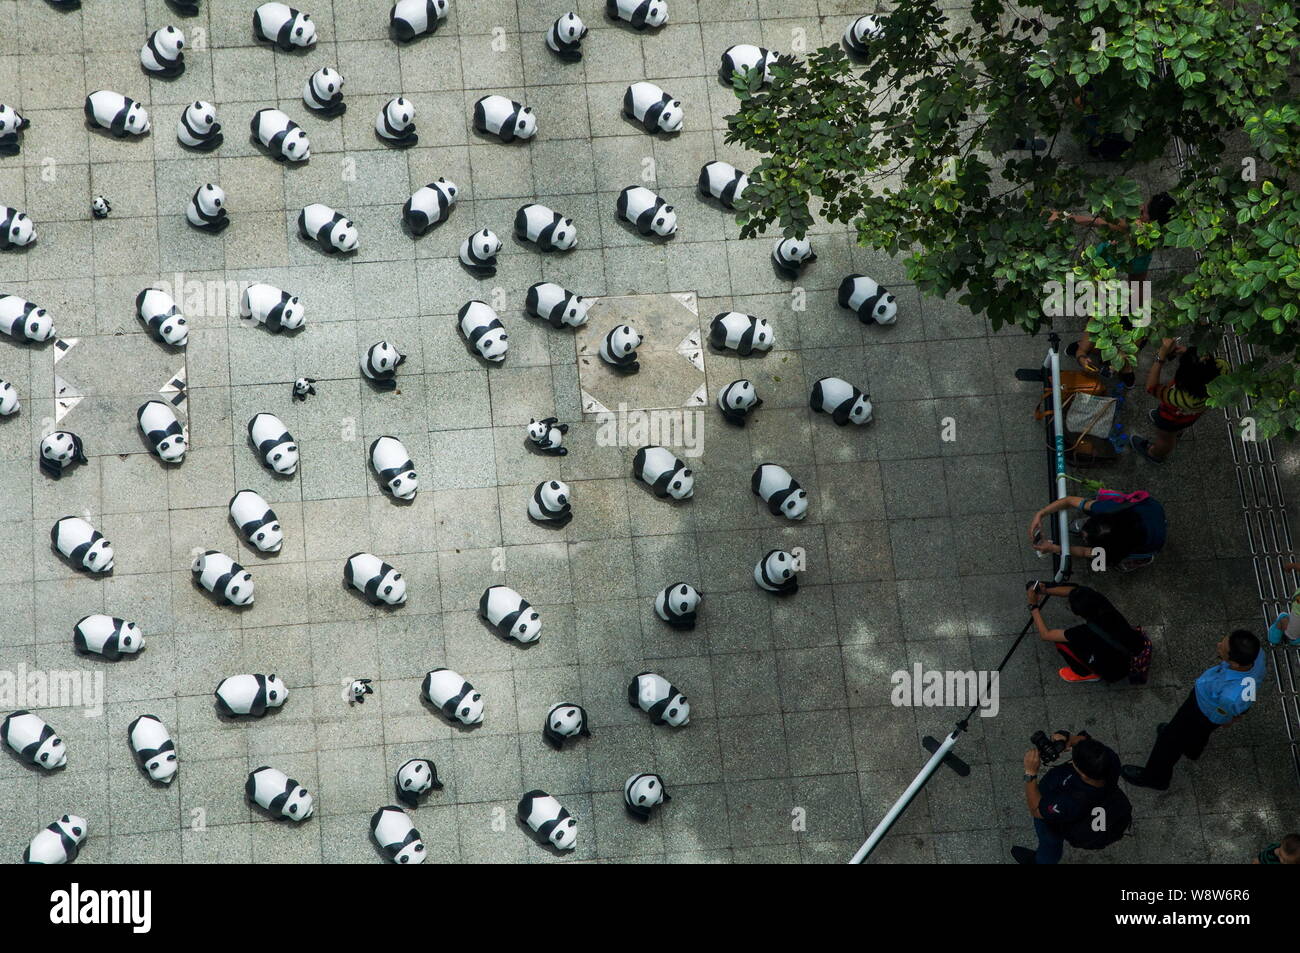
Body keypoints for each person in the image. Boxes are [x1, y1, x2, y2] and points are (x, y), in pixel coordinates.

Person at [1048, 192, 1177, 377]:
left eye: (1145, 210)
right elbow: (1096, 222)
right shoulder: (1141, 233)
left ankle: (1109, 359)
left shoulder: (1137, 235)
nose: (1140, 208)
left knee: (1121, 311)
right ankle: (1105, 357)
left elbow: (1095, 222)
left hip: (1109, 271)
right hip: (1106, 269)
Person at [1122, 630, 1266, 791]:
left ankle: (1156, 777)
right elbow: (1241, 705)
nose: (1218, 645)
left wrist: (1229, 720)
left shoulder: (1231, 696)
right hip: (1210, 706)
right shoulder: (1257, 655)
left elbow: (1220, 716)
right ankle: (1191, 749)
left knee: (1168, 740)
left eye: (1223, 648)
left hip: (1202, 710)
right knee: (1200, 733)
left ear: (1235, 664)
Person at [1014, 732, 1130, 864]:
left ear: (1084, 775)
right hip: (1099, 808)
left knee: (1050, 842)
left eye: (1074, 762)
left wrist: (1031, 773)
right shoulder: (1109, 760)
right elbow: (1087, 743)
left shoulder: (1070, 801)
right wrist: (1070, 740)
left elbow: (1036, 810)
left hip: (1059, 819)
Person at [1027, 582, 1150, 683]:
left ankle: (1086, 673)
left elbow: (1046, 634)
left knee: (1061, 643)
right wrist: (1044, 590)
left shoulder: (1082, 633)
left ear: (1077, 612)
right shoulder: (1103, 604)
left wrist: (1033, 606)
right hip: (1136, 648)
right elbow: (1076, 591)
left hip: (1114, 672)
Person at [1129, 340, 1227, 463]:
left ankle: (1155, 453)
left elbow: (1152, 387)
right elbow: (1204, 363)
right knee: (1178, 427)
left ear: (1185, 379)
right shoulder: (1222, 367)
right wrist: (1188, 353)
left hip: (1171, 419)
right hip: (1189, 416)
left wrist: (1160, 358)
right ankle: (1177, 432)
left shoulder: (1184, 399)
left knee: (1165, 437)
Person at [1028, 491, 1167, 571]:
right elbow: (1069, 501)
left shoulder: (1115, 549)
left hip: (1151, 542)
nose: (1083, 538)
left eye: (1086, 540)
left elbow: (1086, 552)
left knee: (1102, 562)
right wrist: (1041, 514)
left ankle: (1139, 560)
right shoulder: (1106, 508)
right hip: (1150, 511)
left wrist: (1054, 548)